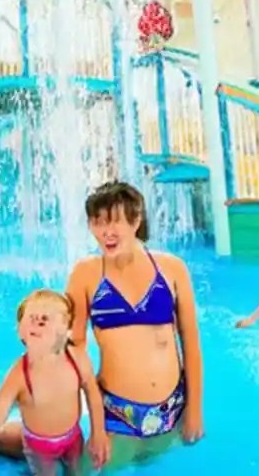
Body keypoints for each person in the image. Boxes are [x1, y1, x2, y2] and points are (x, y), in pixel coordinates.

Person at [64, 181, 204, 466]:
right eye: (97, 222)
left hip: (172, 411)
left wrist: (195, 411)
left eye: (114, 221)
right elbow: (74, 349)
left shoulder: (171, 268)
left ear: (136, 220)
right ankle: (0, 434)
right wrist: (97, 425)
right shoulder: (86, 274)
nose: (106, 232)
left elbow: (190, 342)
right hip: (117, 415)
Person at [0, 289, 110, 475]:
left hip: (73, 437)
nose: (38, 321)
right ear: (20, 332)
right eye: (31, 318)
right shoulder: (19, 373)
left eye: (45, 319)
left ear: (66, 330)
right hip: (39, 447)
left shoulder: (77, 358)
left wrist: (99, 434)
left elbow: (93, 394)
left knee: (78, 472)